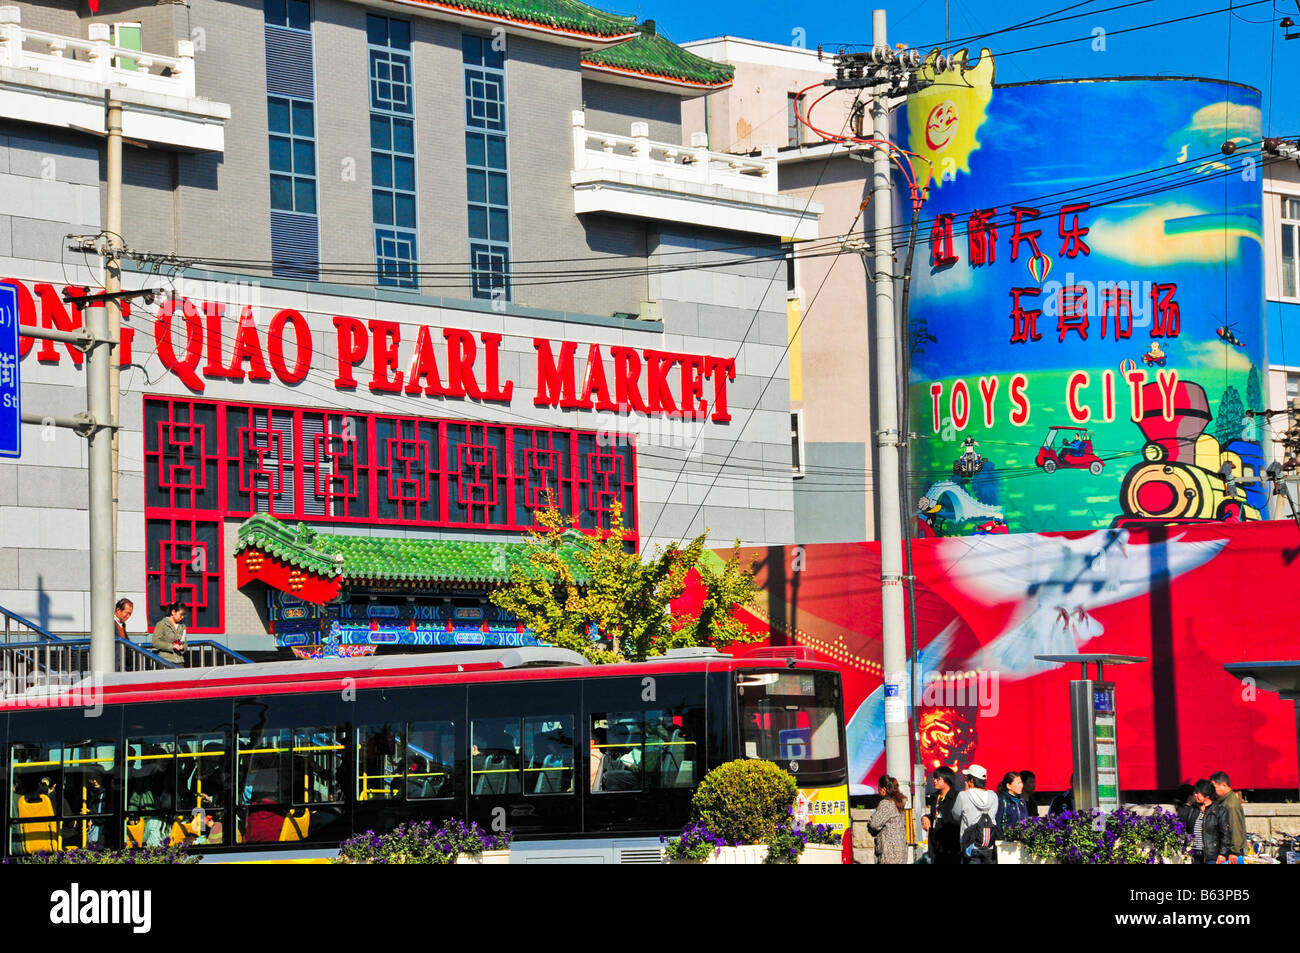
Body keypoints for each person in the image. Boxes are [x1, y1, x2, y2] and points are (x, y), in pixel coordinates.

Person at [952, 764, 1000, 864]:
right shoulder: (993, 795)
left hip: (970, 844)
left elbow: (955, 815)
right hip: (989, 844)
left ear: (972, 780)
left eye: (967, 778)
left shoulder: (963, 795)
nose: (965, 780)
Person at [921, 766, 961, 865]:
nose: (934, 780)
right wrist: (925, 817)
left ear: (946, 779)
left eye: (937, 778)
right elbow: (935, 815)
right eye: (934, 778)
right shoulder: (935, 797)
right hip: (935, 844)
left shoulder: (957, 797)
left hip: (951, 845)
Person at [868, 774, 907, 865]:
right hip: (900, 849)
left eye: (879, 787)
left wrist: (869, 826)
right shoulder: (899, 802)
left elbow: (874, 823)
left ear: (884, 789)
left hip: (889, 851)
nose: (878, 790)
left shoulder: (886, 804)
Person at [1210, 771, 1247, 861]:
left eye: (1214, 787)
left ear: (1224, 785)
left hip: (1232, 854)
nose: (1211, 791)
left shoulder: (1230, 805)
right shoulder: (1223, 801)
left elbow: (1235, 828)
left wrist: (1234, 851)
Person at [1194, 779, 1230, 864]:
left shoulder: (1219, 811)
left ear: (1206, 795)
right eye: (1195, 792)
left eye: (1198, 793)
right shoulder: (1194, 809)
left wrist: (1223, 854)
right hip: (1195, 854)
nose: (1195, 795)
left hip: (1212, 855)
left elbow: (1226, 834)